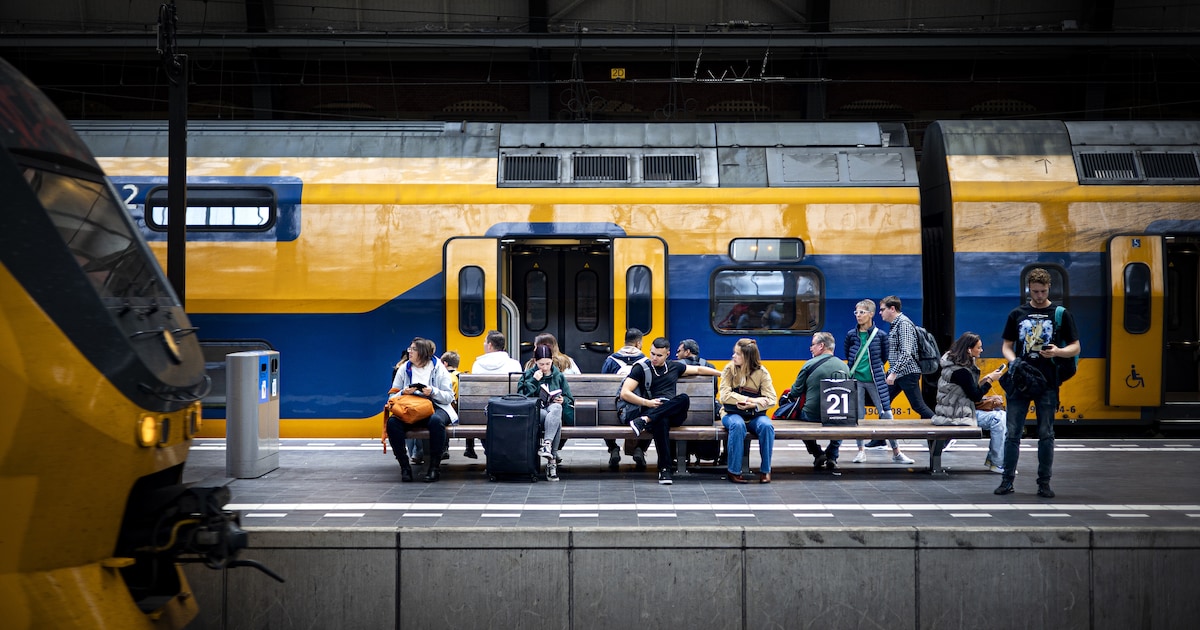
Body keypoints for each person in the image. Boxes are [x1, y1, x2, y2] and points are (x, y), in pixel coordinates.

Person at [996, 268, 1079, 498]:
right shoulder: (1017, 313)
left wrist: (1058, 352)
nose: (1039, 296)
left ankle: (1044, 483)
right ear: (1028, 289)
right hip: (1021, 379)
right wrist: (1015, 363)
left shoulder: (1060, 313)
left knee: (1046, 433)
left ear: (1049, 288)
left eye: (1042, 291)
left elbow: (1076, 346)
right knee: (1012, 433)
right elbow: (1006, 346)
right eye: (1035, 291)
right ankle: (1007, 481)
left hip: (1048, 380)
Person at [623, 337, 722, 484]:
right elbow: (625, 392)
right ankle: (665, 470)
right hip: (653, 409)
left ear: (667, 354)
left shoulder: (674, 367)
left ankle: (644, 420)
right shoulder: (641, 369)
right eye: (652, 353)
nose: (654, 358)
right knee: (661, 420)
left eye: (659, 355)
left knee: (683, 398)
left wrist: (722, 374)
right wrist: (647, 402)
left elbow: (699, 369)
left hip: (672, 412)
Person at [845, 299, 914, 465]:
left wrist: (874, 370)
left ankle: (896, 452)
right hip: (856, 381)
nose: (858, 316)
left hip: (876, 380)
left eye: (862, 312)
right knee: (858, 416)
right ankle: (861, 451)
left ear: (871, 314)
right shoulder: (851, 335)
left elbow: (884, 357)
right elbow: (848, 353)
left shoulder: (881, 336)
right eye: (856, 312)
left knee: (886, 413)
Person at [931, 332, 1008, 473]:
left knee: (999, 415)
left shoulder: (953, 365)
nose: (981, 350)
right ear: (968, 349)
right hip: (957, 415)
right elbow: (975, 396)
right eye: (979, 347)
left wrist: (986, 379)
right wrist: (991, 381)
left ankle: (995, 461)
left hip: (950, 411)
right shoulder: (962, 371)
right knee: (999, 418)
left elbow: (967, 391)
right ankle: (996, 462)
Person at [384, 337, 459, 482]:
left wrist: (432, 392)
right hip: (411, 408)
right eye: (409, 348)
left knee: (436, 422)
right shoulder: (404, 369)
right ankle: (405, 467)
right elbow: (392, 396)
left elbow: (449, 397)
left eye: (413, 349)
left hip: (436, 406)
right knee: (393, 424)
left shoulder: (438, 368)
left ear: (423, 353)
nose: (409, 351)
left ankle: (434, 468)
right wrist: (404, 392)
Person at [787, 332, 851, 472]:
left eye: (813, 345)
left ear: (821, 346)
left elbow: (796, 391)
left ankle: (817, 453)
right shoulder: (845, 367)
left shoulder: (809, 365)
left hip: (812, 415)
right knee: (841, 418)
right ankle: (832, 455)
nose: (811, 348)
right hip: (837, 416)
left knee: (799, 420)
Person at [718, 338, 777, 484]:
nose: (733, 356)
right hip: (731, 413)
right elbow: (724, 395)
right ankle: (734, 471)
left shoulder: (762, 373)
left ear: (747, 357)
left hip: (754, 414)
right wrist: (752, 400)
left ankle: (765, 470)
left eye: (737, 354)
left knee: (767, 426)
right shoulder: (729, 369)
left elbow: (771, 398)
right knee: (737, 426)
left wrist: (752, 406)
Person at [517, 345, 574, 481]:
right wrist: (533, 381)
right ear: (535, 362)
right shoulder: (529, 375)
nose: (545, 367)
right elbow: (521, 396)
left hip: (552, 410)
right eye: (541, 364)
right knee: (556, 420)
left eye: (548, 363)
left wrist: (562, 400)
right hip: (536, 412)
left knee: (557, 410)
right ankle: (552, 462)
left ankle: (547, 445)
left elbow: (569, 397)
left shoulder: (558, 376)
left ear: (552, 361)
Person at [467, 330, 523, 458]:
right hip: (509, 410)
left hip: (484, 412)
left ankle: (491, 454)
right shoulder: (514, 364)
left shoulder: (477, 365)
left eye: (485, 342)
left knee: (484, 416)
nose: (484, 344)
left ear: (490, 345)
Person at [879, 296, 936, 420]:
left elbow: (906, 353)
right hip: (900, 373)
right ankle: (880, 439)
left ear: (892, 309)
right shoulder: (896, 324)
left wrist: (893, 372)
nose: (880, 312)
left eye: (883, 309)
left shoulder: (903, 324)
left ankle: (945, 433)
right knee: (883, 403)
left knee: (918, 406)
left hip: (907, 373)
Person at [601, 328, 647, 470]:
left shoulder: (610, 361)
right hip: (638, 413)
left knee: (603, 417)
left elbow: (602, 385)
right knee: (652, 417)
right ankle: (640, 449)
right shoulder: (645, 362)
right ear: (638, 343)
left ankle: (613, 448)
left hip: (612, 413)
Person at [677, 338, 722, 465]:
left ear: (687, 352)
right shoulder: (710, 367)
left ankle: (679, 456)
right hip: (706, 415)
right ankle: (716, 456)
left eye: (679, 351)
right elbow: (714, 392)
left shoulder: (676, 366)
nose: (676, 354)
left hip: (681, 415)